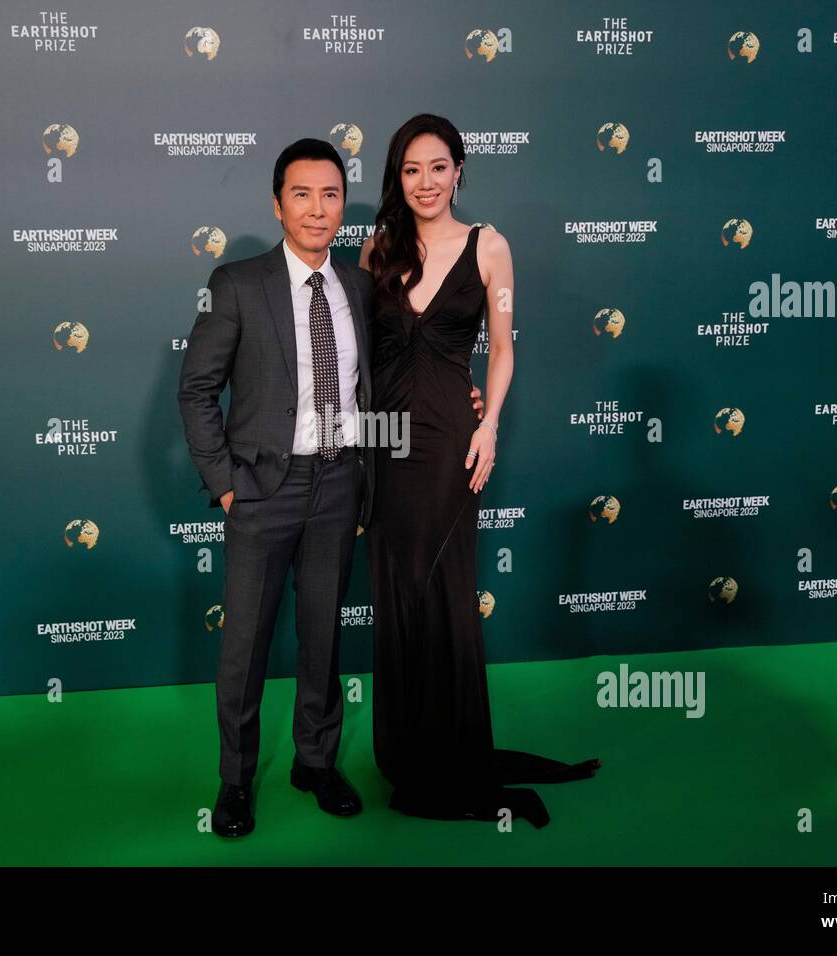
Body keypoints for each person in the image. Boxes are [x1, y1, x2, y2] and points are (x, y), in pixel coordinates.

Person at [177, 137, 482, 838]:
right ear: (277, 205)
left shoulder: (357, 286)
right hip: (263, 489)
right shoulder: (238, 284)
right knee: (245, 646)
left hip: (342, 484)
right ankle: (235, 782)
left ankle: (314, 762)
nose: (319, 209)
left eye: (331, 194)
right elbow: (196, 391)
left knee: (323, 638)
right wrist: (227, 485)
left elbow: (405, 365)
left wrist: (459, 397)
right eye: (303, 194)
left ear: (345, 205)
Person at [359, 114, 601, 829]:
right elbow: (368, 354)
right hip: (387, 440)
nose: (425, 182)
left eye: (438, 167)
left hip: (453, 440)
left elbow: (500, 348)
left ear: (460, 170)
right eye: (411, 169)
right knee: (398, 587)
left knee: (443, 586)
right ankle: (408, 753)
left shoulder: (489, 246)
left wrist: (488, 422)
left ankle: (454, 751)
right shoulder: (378, 251)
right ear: (395, 178)